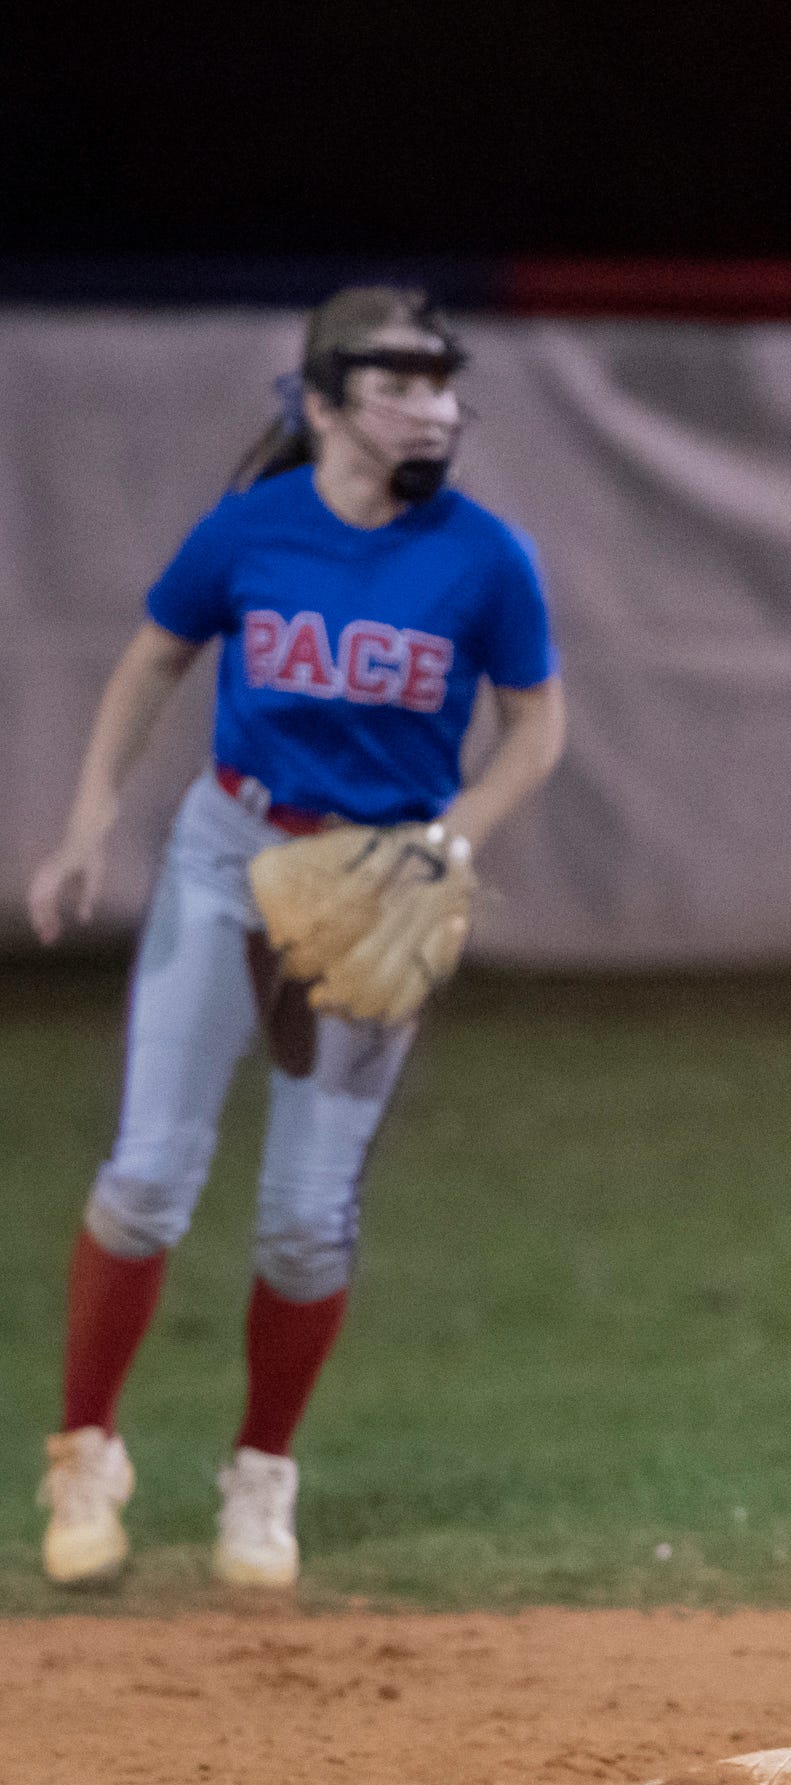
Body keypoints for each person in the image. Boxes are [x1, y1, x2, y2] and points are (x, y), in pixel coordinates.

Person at [26, 286, 566, 1590]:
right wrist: (92, 814)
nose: (433, 403)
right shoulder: (252, 530)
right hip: (229, 857)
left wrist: (449, 843)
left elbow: (535, 729)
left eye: (443, 380)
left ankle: (261, 1476)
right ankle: (84, 1451)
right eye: (399, 381)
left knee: (305, 1227)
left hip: (374, 877)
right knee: (149, 1176)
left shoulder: (485, 555)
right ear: (323, 404)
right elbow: (154, 657)